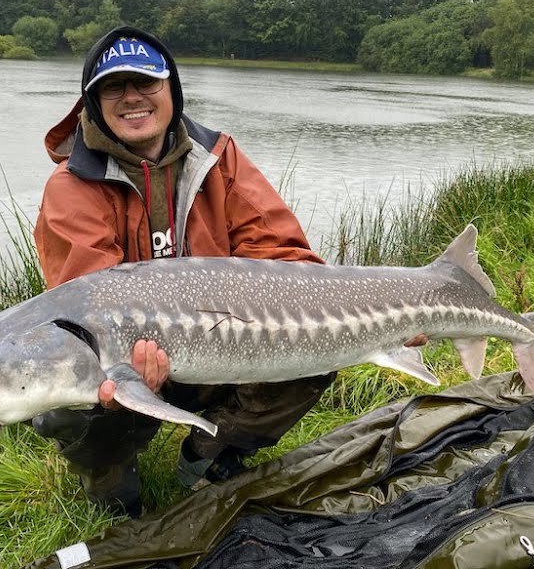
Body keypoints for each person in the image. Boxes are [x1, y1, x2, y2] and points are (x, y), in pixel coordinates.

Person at [29, 25, 337, 518]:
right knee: (71, 400)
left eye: (147, 83)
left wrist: (377, 314)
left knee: (316, 347)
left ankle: (210, 453)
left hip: (217, 344)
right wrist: (123, 370)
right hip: (129, 360)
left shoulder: (219, 157)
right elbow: (87, 304)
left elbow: (280, 255)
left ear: (171, 90)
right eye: (114, 87)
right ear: (92, 101)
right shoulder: (71, 186)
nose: (132, 98)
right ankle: (113, 488)